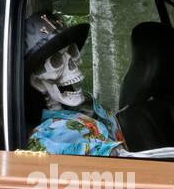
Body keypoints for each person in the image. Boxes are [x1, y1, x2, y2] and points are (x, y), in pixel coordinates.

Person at [22, 12, 126, 157]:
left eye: (72, 52)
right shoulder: (49, 137)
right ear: (38, 82)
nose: (73, 67)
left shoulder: (90, 105)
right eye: (56, 61)